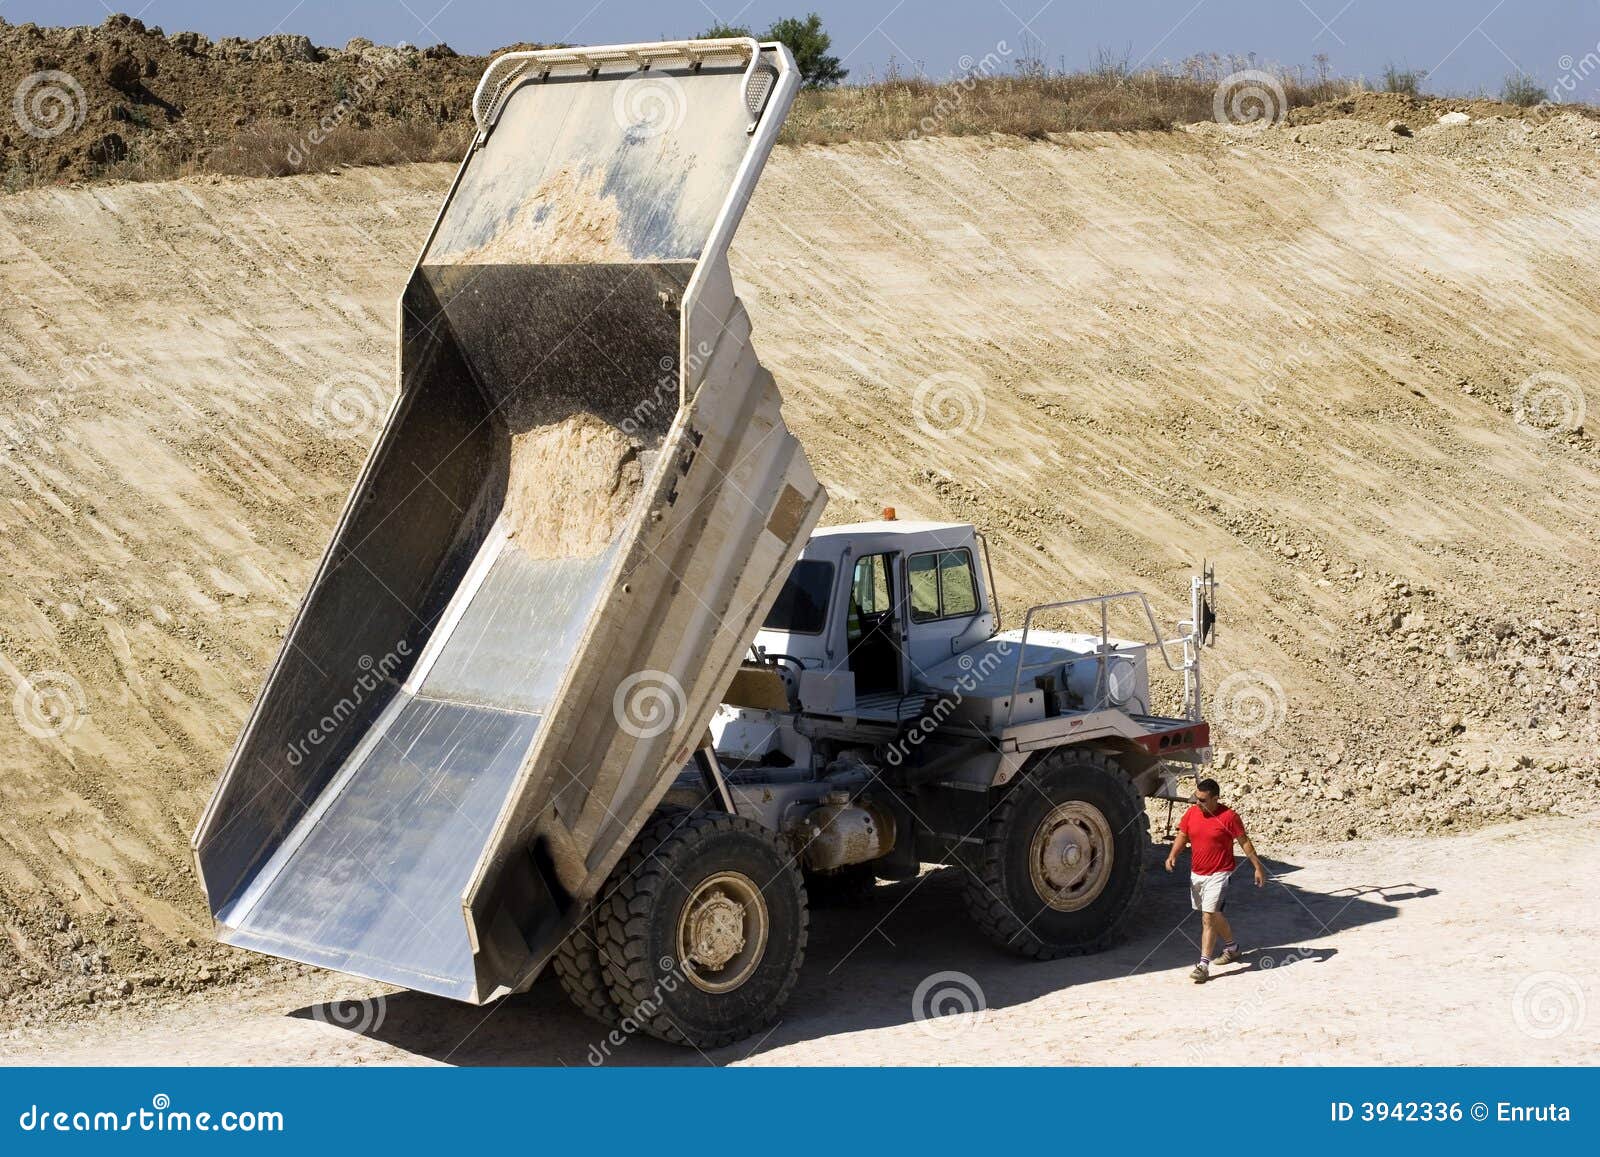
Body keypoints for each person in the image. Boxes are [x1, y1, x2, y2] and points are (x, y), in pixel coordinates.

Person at [1164, 777, 1267, 983]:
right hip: (1197, 874)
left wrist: (1257, 867)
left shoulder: (1229, 817)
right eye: (1196, 798)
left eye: (1202, 800)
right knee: (1214, 914)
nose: (1197, 803)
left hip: (1220, 874)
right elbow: (1183, 835)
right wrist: (1173, 854)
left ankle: (1203, 965)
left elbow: (1244, 842)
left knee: (1208, 917)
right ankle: (1232, 948)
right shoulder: (1192, 813)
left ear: (1215, 799)